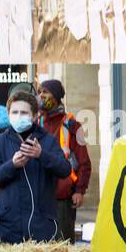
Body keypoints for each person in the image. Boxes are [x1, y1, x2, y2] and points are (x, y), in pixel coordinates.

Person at [0, 91, 73, 243]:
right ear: (8, 114)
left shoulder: (48, 140)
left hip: (42, 224)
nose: (19, 116)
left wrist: (41, 155)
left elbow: (65, 170)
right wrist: (12, 165)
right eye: (15, 112)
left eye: (24, 112)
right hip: (10, 224)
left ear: (34, 116)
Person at [37, 79, 92, 242]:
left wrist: (79, 190)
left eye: (45, 92)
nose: (41, 95)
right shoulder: (35, 122)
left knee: (63, 247)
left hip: (63, 198)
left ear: (56, 96)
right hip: (39, 195)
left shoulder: (74, 125)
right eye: (39, 92)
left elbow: (85, 162)